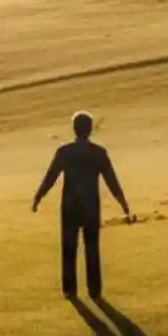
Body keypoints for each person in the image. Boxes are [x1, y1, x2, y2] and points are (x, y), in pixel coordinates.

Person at [32, 111, 132, 299]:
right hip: (91, 206)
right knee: (92, 248)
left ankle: (69, 290)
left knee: (68, 248)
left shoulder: (64, 152)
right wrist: (123, 204)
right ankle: (94, 290)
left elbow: (50, 178)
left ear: (74, 129)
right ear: (90, 129)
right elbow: (112, 181)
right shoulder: (99, 153)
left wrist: (38, 198)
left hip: (69, 206)